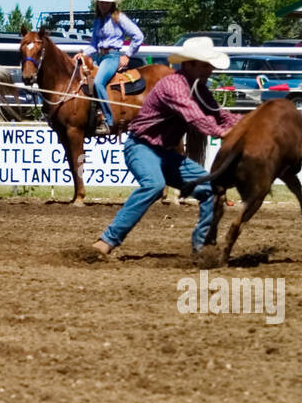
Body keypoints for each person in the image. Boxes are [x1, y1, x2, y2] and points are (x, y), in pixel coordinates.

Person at [92, 36, 241, 262]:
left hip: (166, 153)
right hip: (141, 146)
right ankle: (106, 241)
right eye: (205, 64)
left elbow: (220, 114)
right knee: (154, 185)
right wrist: (224, 133)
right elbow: (198, 118)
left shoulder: (198, 88)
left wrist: (250, 123)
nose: (210, 69)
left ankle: (201, 250)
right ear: (189, 64)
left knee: (211, 190)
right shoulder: (173, 86)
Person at [76, 0, 144, 136]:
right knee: (82, 81)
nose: (103, 5)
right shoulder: (97, 21)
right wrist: (82, 54)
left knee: (99, 82)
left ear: (112, 4)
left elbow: (138, 36)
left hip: (112, 56)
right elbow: (94, 44)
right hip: (98, 57)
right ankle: (90, 117)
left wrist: (127, 55)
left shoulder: (119, 18)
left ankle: (109, 120)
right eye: (101, 2)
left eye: (106, 3)